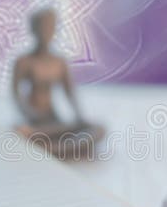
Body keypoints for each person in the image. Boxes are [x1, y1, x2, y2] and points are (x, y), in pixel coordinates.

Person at [12, 9, 103, 158]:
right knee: (21, 132)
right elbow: (16, 93)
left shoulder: (59, 62)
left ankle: (54, 150)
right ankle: (59, 150)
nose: (46, 32)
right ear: (34, 29)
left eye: (50, 27)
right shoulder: (24, 62)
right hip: (35, 121)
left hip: (53, 119)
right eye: (42, 27)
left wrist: (79, 115)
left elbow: (69, 91)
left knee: (97, 129)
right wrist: (31, 114)